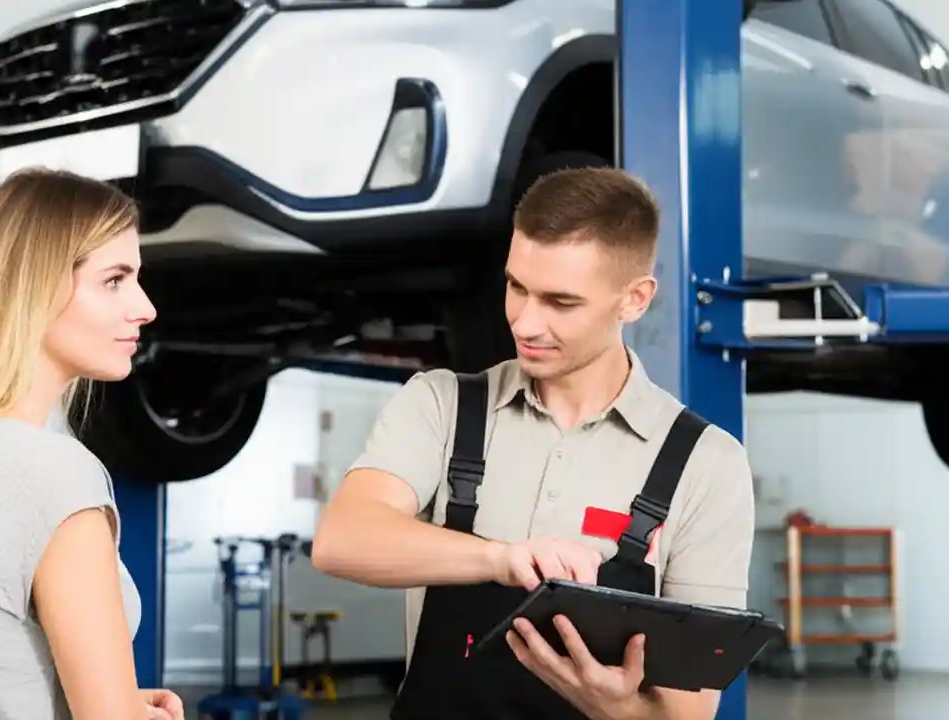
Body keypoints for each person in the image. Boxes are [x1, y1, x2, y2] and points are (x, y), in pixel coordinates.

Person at [311, 166, 756, 719]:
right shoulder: (443, 405)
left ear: (635, 300)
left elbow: (689, 712)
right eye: (516, 287)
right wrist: (500, 559)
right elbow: (341, 541)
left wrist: (616, 709)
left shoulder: (705, 463)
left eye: (560, 302)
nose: (525, 323)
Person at [0, 168, 185, 720]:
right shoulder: (56, 474)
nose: (145, 308)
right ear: (35, 286)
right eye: (114, 280)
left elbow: (0, 676)